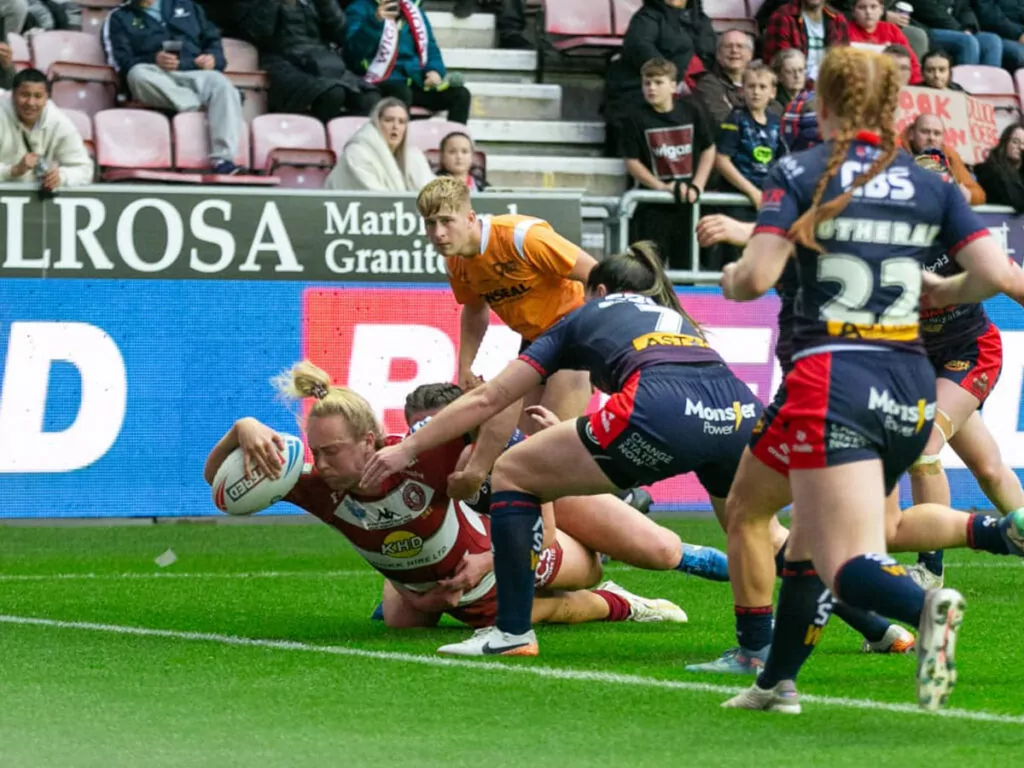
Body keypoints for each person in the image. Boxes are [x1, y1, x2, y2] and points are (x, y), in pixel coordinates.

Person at [716, 46, 1023, 714]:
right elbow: (998, 278)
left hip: (831, 382)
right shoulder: (932, 184)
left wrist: (731, 275)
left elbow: (756, 279)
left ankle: (926, 604)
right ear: (893, 113)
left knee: (837, 554)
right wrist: (941, 288)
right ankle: (776, 683)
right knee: (752, 507)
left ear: (821, 104)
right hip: (908, 384)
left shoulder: (802, 171)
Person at [361, 241, 765, 657]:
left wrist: (409, 448)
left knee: (513, 472)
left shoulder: (579, 318)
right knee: (760, 530)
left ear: (598, 292)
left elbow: (493, 399)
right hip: (738, 411)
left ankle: (513, 632)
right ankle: (778, 634)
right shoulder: (674, 321)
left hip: (655, 416)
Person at [204, 362, 688, 633]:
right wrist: (239, 430)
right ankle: (411, 591)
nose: (321, 463)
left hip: (499, 554)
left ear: (370, 442)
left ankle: (617, 599)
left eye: (331, 452)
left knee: (606, 572)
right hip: (441, 582)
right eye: (316, 452)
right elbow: (219, 489)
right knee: (403, 623)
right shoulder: (314, 485)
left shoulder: (422, 452)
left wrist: (495, 556)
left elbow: (508, 412)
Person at [400, 382, 730, 586]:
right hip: (494, 527)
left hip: (547, 508)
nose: (433, 441)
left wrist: (486, 562)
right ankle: (605, 533)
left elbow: (543, 533)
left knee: (662, 551)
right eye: (422, 431)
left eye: (440, 428)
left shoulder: (501, 450)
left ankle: (606, 546)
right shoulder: (408, 465)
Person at [415, 176, 597, 436]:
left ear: (469, 218)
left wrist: (603, 337)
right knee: (518, 444)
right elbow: (475, 310)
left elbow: (598, 275)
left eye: (446, 221)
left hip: (575, 333)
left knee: (548, 444)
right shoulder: (456, 261)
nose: (438, 233)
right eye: (430, 223)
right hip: (536, 343)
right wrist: (465, 366)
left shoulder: (522, 238)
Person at [102, 0, 244, 175]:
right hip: (154, 74)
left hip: (194, 70)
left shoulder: (188, 6)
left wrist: (213, 58)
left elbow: (212, 41)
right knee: (137, 74)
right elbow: (120, 63)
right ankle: (200, 104)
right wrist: (153, 59)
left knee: (221, 83)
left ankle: (223, 160)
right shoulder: (119, 17)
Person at [620, 57, 716, 269]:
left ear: (673, 85)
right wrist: (662, 187)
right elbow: (632, 161)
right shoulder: (634, 117)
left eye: (658, 82)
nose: (651, 88)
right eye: (647, 83)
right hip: (652, 206)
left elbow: (709, 148)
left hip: (688, 206)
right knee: (647, 269)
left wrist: (698, 185)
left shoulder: (691, 111)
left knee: (688, 267)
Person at [604, 0, 717, 152]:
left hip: (690, 86)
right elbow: (639, 46)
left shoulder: (700, 20)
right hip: (644, 85)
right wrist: (667, 77)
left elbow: (708, 54)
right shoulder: (647, 16)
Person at [242, 0, 379, 123]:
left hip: (321, 60)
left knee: (370, 98)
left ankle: (345, 142)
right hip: (282, 62)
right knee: (333, 94)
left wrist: (325, 3)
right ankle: (312, 138)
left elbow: (340, 33)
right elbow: (258, 34)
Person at [344, 0, 472, 124]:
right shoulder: (359, 8)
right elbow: (352, 53)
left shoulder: (414, 10)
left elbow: (430, 47)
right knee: (402, 93)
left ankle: (456, 141)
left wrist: (434, 70)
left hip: (415, 80)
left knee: (460, 95)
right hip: (380, 81)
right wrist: (375, 22)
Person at [0, 68, 93, 188]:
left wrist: (61, 177)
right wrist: (14, 170)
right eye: (25, 95)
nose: (31, 103)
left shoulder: (58, 122)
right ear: (13, 95)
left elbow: (85, 169)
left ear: (46, 98)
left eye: (38, 96)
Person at [714, 63, 786, 210]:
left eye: (762, 87)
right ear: (742, 90)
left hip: (768, 195)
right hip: (738, 196)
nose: (756, 92)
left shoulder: (776, 122)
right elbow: (721, 160)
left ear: (773, 92)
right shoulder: (735, 119)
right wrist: (751, 191)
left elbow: (782, 161)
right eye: (751, 86)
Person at [324, 97, 434, 191]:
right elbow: (377, 199)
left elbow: (432, 192)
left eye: (401, 122)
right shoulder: (357, 153)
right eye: (389, 120)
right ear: (376, 123)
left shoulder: (413, 155)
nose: (395, 126)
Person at [900, 113, 985, 204]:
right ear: (911, 134)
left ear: (943, 137)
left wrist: (967, 195)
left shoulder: (949, 155)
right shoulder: (897, 152)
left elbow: (978, 193)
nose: (931, 138)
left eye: (937, 133)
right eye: (925, 132)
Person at [763, 1, 851, 84]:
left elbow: (843, 64)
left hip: (828, 89)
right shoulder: (783, 17)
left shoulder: (838, 20)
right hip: (794, 91)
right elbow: (779, 69)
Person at [692, 29, 757, 128]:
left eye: (740, 46)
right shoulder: (708, 84)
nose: (734, 50)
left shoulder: (760, 80)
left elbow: (775, 111)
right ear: (718, 54)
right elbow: (721, 120)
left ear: (750, 54)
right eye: (728, 46)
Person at [848, 0, 922, 82]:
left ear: (881, 10)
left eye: (873, 7)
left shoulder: (892, 30)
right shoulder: (845, 30)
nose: (868, 12)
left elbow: (912, 63)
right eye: (862, 7)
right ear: (853, 12)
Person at [912, 0, 1002, 66]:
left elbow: (965, 9)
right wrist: (959, 29)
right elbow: (929, 9)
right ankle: (964, 87)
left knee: (992, 41)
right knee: (967, 42)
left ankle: (988, 88)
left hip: (957, 29)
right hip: (928, 28)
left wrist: (968, 27)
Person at [773, 50, 820, 153]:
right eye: (790, 71)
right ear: (779, 76)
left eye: (801, 70)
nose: (797, 76)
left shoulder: (815, 102)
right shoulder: (772, 105)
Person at [975, 122, 1024, 212]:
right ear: (1005, 143)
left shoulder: (1021, 173)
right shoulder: (991, 170)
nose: (1021, 147)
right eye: (1015, 142)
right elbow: (1015, 199)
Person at [973, 0, 1024, 72]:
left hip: (1019, 35)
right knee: (1020, 55)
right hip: (999, 35)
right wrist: (1018, 34)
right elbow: (989, 16)